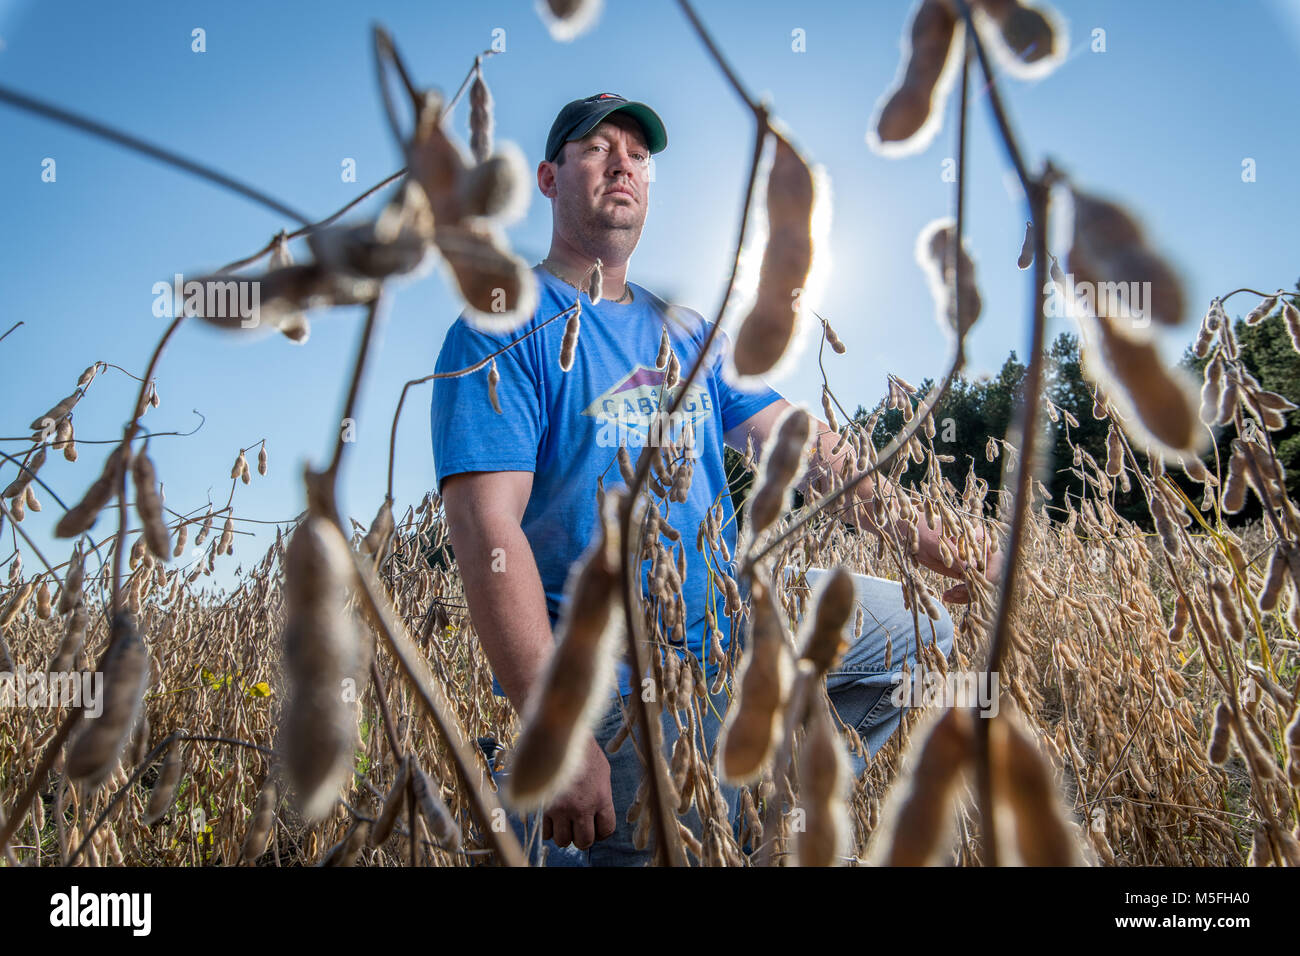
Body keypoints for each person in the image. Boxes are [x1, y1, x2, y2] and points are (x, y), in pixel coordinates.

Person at [430, 92, 997, 866]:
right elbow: (486, 529)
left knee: (919, 631)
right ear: (549, 178)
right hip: (617, 689)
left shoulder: (685, 330)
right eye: (596, 148)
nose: (622, 161)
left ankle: (779, 812)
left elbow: (804, 449)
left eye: (638, 152)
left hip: (733, 635)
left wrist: (942, 544)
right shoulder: (501, 325)